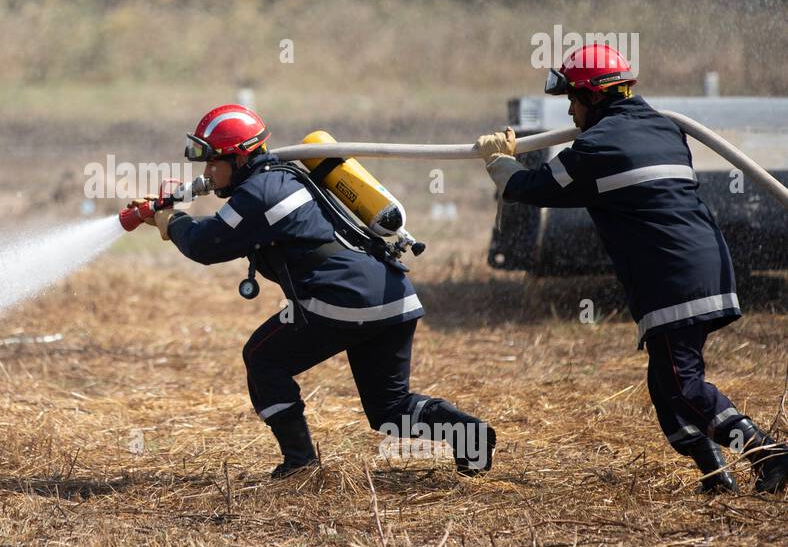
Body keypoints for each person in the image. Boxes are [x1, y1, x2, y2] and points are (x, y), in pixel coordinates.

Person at [475, 43, 788, 493]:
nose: (569, 111)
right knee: (666, 389)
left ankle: (768, 454)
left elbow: (531, 187)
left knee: (683, 387)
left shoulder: (598, 145)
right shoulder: (663, 128)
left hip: (672, 277)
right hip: (705, 266)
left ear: (594, 97)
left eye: (573, 99)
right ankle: (716, 476)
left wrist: (498, 162)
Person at [130, 103, 495, 479]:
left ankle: (299, 463)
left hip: (344, 299)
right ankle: (468, 434)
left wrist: (172, 220)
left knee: (263, 358)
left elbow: (207, 245)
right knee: (389, 410)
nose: (207, 173)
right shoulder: (282, 178)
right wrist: (174, 218)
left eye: (213, 162)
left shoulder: (258, 193)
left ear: (239, 159)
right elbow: (228, 228)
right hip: (393, 295)